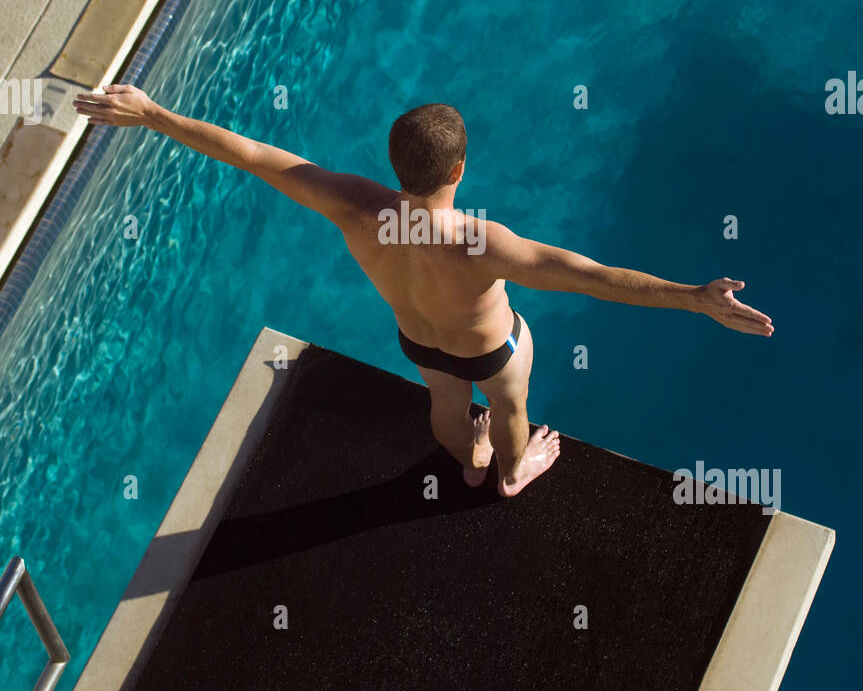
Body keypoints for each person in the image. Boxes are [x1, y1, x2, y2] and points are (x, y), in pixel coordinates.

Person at [74, 89, 774, 497]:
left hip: (418, 342)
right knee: (509, 407)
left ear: (394, 163)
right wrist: (692, 296)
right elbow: (588, 275)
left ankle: (466, 464)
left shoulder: (356, 206)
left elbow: (253, 154)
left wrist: (153, 114)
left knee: (444, 404)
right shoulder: (479, 243)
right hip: (491, 353)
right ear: (459, 168)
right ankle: (509, 472)